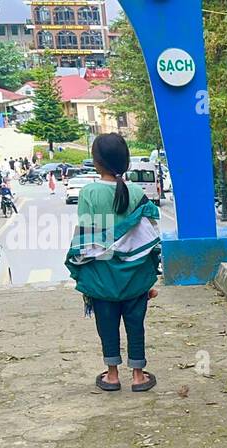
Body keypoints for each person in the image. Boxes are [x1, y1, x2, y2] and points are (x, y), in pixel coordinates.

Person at [66, 132, 161, 393]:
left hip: (102, 277)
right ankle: (139, 376)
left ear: (97, 163)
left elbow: (88, 239)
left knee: (106, 324)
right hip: (135, 277)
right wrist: (151, 275)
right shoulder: (137, 191)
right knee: (135, 324)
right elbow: (149, 235)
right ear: (126, 161)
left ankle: (112, 375)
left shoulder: (89, 192)